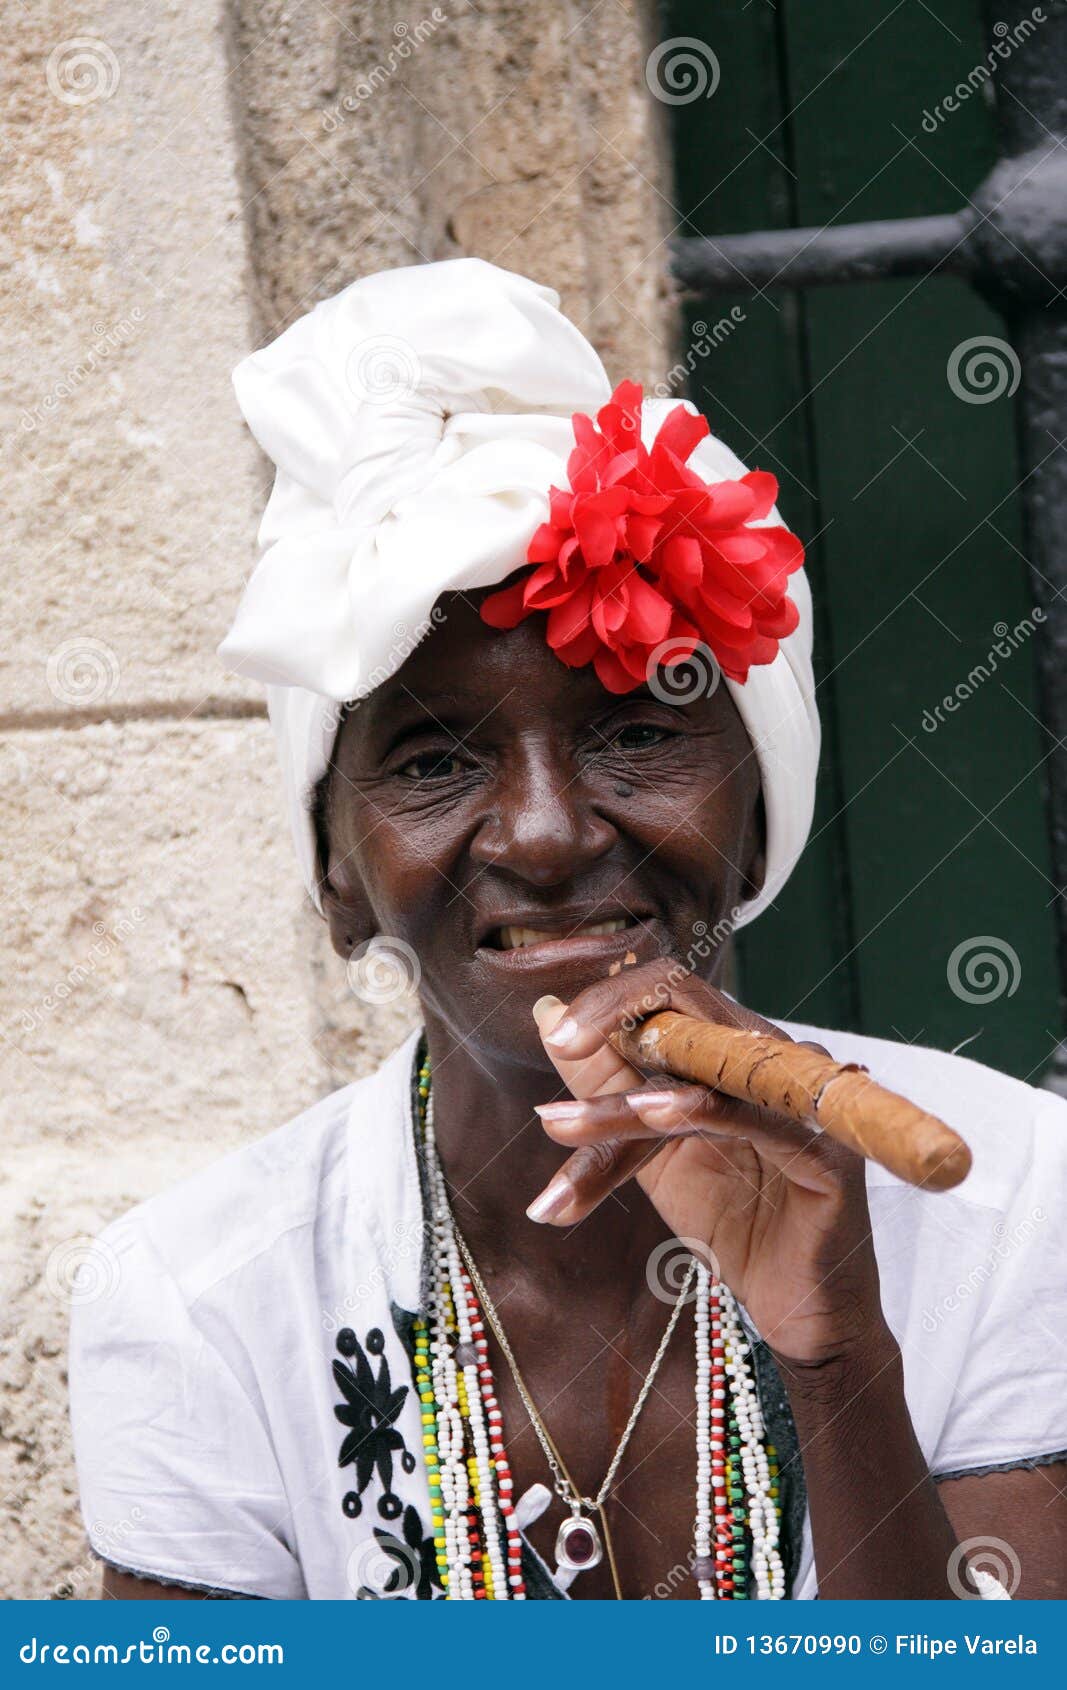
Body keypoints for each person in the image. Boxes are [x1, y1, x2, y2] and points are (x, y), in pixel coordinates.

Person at [69, 259, 1067, 1601]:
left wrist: (838, 1363)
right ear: (339, 876)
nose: (542, 836)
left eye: (638, 734)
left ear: (760, 816)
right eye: (433, 761)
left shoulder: (1010, 1202)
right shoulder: (199, 1299)